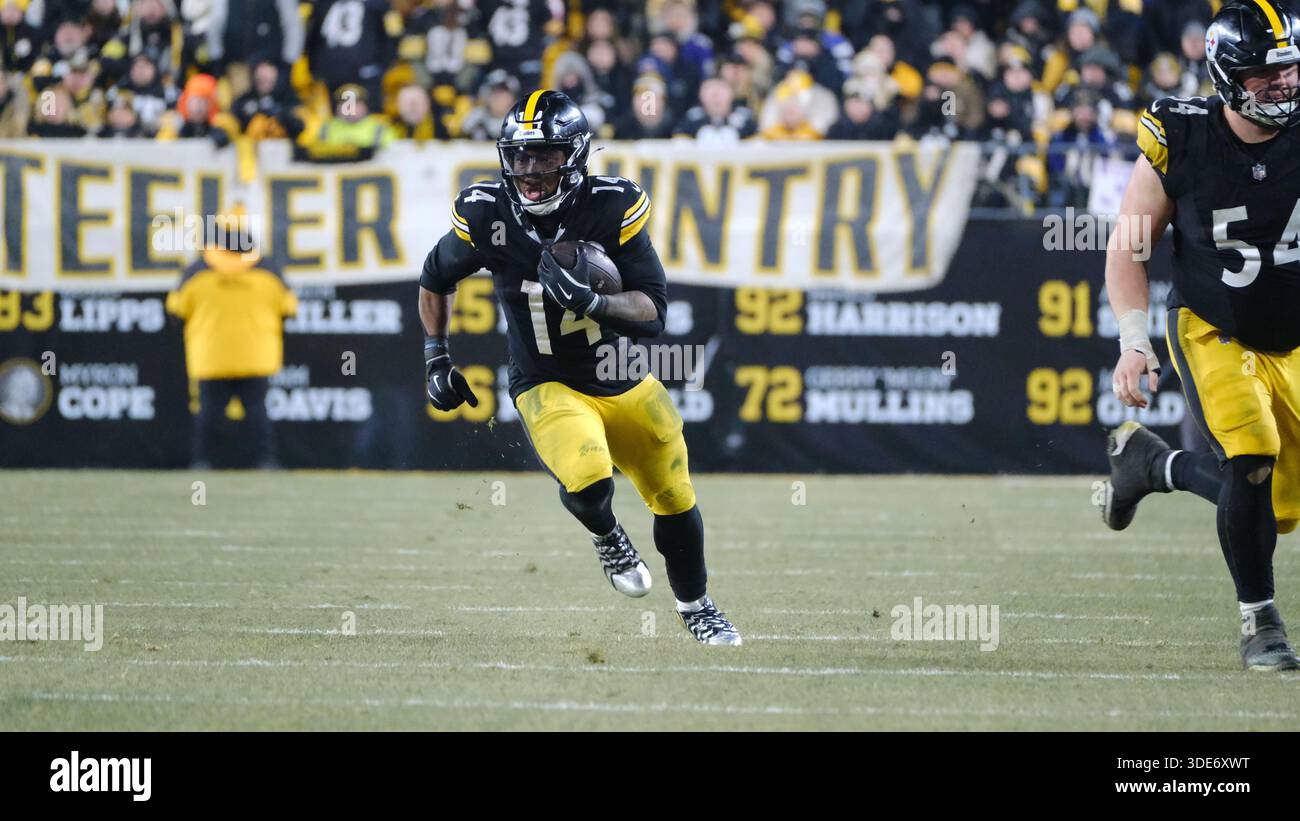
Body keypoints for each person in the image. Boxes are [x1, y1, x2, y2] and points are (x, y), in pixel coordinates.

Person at [416, 89, 741, 645]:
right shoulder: (486, 212)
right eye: (519, 157)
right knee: (589, 479)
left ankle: (698, 606)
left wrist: (595, 303)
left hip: (623, 375)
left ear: (576, 154)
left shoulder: (612, 205)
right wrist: (436, 356)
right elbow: (434, 275)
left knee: (675, 496)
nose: (530, 170)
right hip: (545, 382)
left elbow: (653, 310)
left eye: (544, 156)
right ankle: (609, 535)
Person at [1101, 0, 1300, 671]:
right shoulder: (1181, 137)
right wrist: (1133, 340)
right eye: (1268, 74)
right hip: (1216, 326)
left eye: (1292, 69)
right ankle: (1260, 621)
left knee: (1275, 509)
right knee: (1251, 453)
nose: (1287, 84)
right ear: (1227, 76)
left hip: (1295, 334)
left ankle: (1153, 466)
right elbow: (1128, 247)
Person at [165, 210, 298, 469]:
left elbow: (175, 311)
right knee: (257, 412)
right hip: (256, 354)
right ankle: (265, 462)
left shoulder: (197, 270)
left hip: (210, 354)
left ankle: (203, 462)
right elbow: (289, 309)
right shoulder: (268, 270)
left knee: (209, 412)